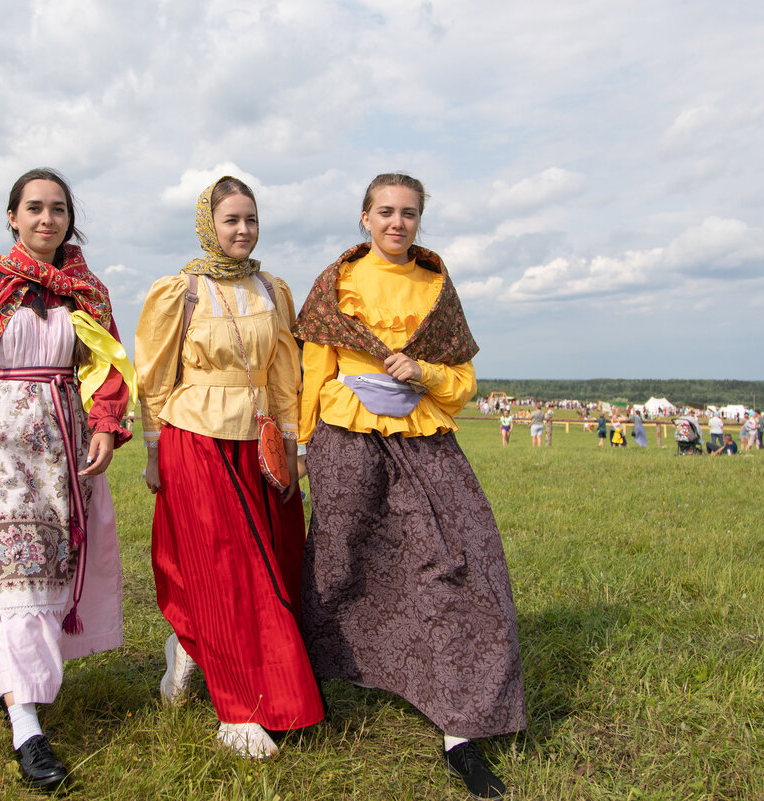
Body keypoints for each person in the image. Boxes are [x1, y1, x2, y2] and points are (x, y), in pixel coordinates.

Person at [294, 173, 525, 800]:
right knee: (338, 562)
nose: (398, 223)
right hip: (344, 437)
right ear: (364, 217)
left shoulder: (435, 284)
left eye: (410, 214)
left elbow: (462, 381)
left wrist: (421, 369)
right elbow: (314, 367)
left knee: (458, 561)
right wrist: (302, 442)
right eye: (387, 212)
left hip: (423, 436)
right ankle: (308, 691)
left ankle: (461, 727)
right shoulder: (336, 283)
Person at [0, 168, 133, 791]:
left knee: (50, 570)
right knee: (8, 576)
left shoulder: (85, 290)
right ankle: (26, 726)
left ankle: (17, 687)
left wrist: (104, 423)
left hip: (65, 452)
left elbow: (107, 364)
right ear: (12, 216)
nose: (47, 219)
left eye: (59, 209)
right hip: (0, 447)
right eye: (35, 208)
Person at [135, 176, 322, 759]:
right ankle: (239, 707)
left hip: (258, 443)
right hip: (194, 439)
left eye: (251, 220)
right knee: (223, 568)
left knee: (271, 562)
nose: (243, 231)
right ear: (207, 225)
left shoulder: (274, 289)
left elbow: (286, 372)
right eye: (231, 221)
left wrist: (293, 447)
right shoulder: (179, 291)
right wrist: (152, 450)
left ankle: (189, 647)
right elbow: (154, 376)